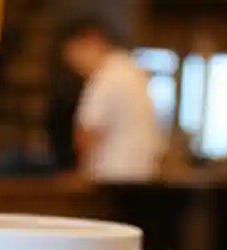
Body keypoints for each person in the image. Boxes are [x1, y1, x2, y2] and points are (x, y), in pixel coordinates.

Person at [60, 18, 161, 182]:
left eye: (74, 54)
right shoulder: (130, 69)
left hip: (112, 178)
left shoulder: (106, 76)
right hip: (142, 175)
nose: (75, 66)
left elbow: (88, 133)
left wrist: (79, 176)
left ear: (92, 42)